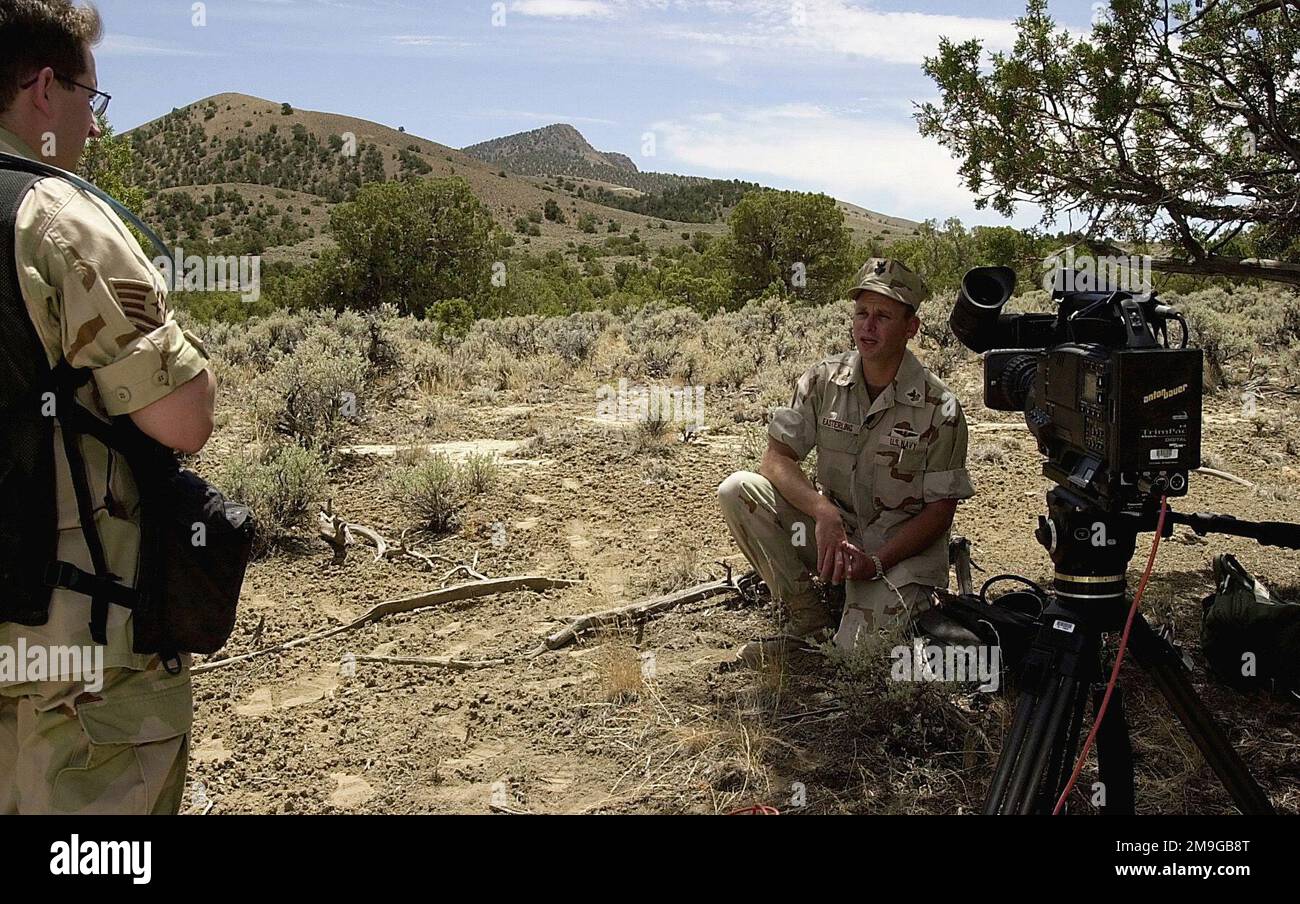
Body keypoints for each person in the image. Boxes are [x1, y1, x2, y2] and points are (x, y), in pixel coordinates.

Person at [0, 0, 215, 814]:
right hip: (67, 642)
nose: (96, 128)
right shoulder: (56, 219)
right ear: (44, 88)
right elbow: (183, 417)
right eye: (94, 99)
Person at [718, 258, 974, 665]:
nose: (867, 326)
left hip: (898, 551)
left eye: (883, 316)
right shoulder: (823, 380)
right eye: (862, 313)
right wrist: (823, 513)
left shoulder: (938, 407)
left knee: (852, 660)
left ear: (911, 328)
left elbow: (940, 513)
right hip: (835, 535)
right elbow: (776, 458)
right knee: (738, 490)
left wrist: (876, 562)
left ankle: (856, 617)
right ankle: (808, 615)